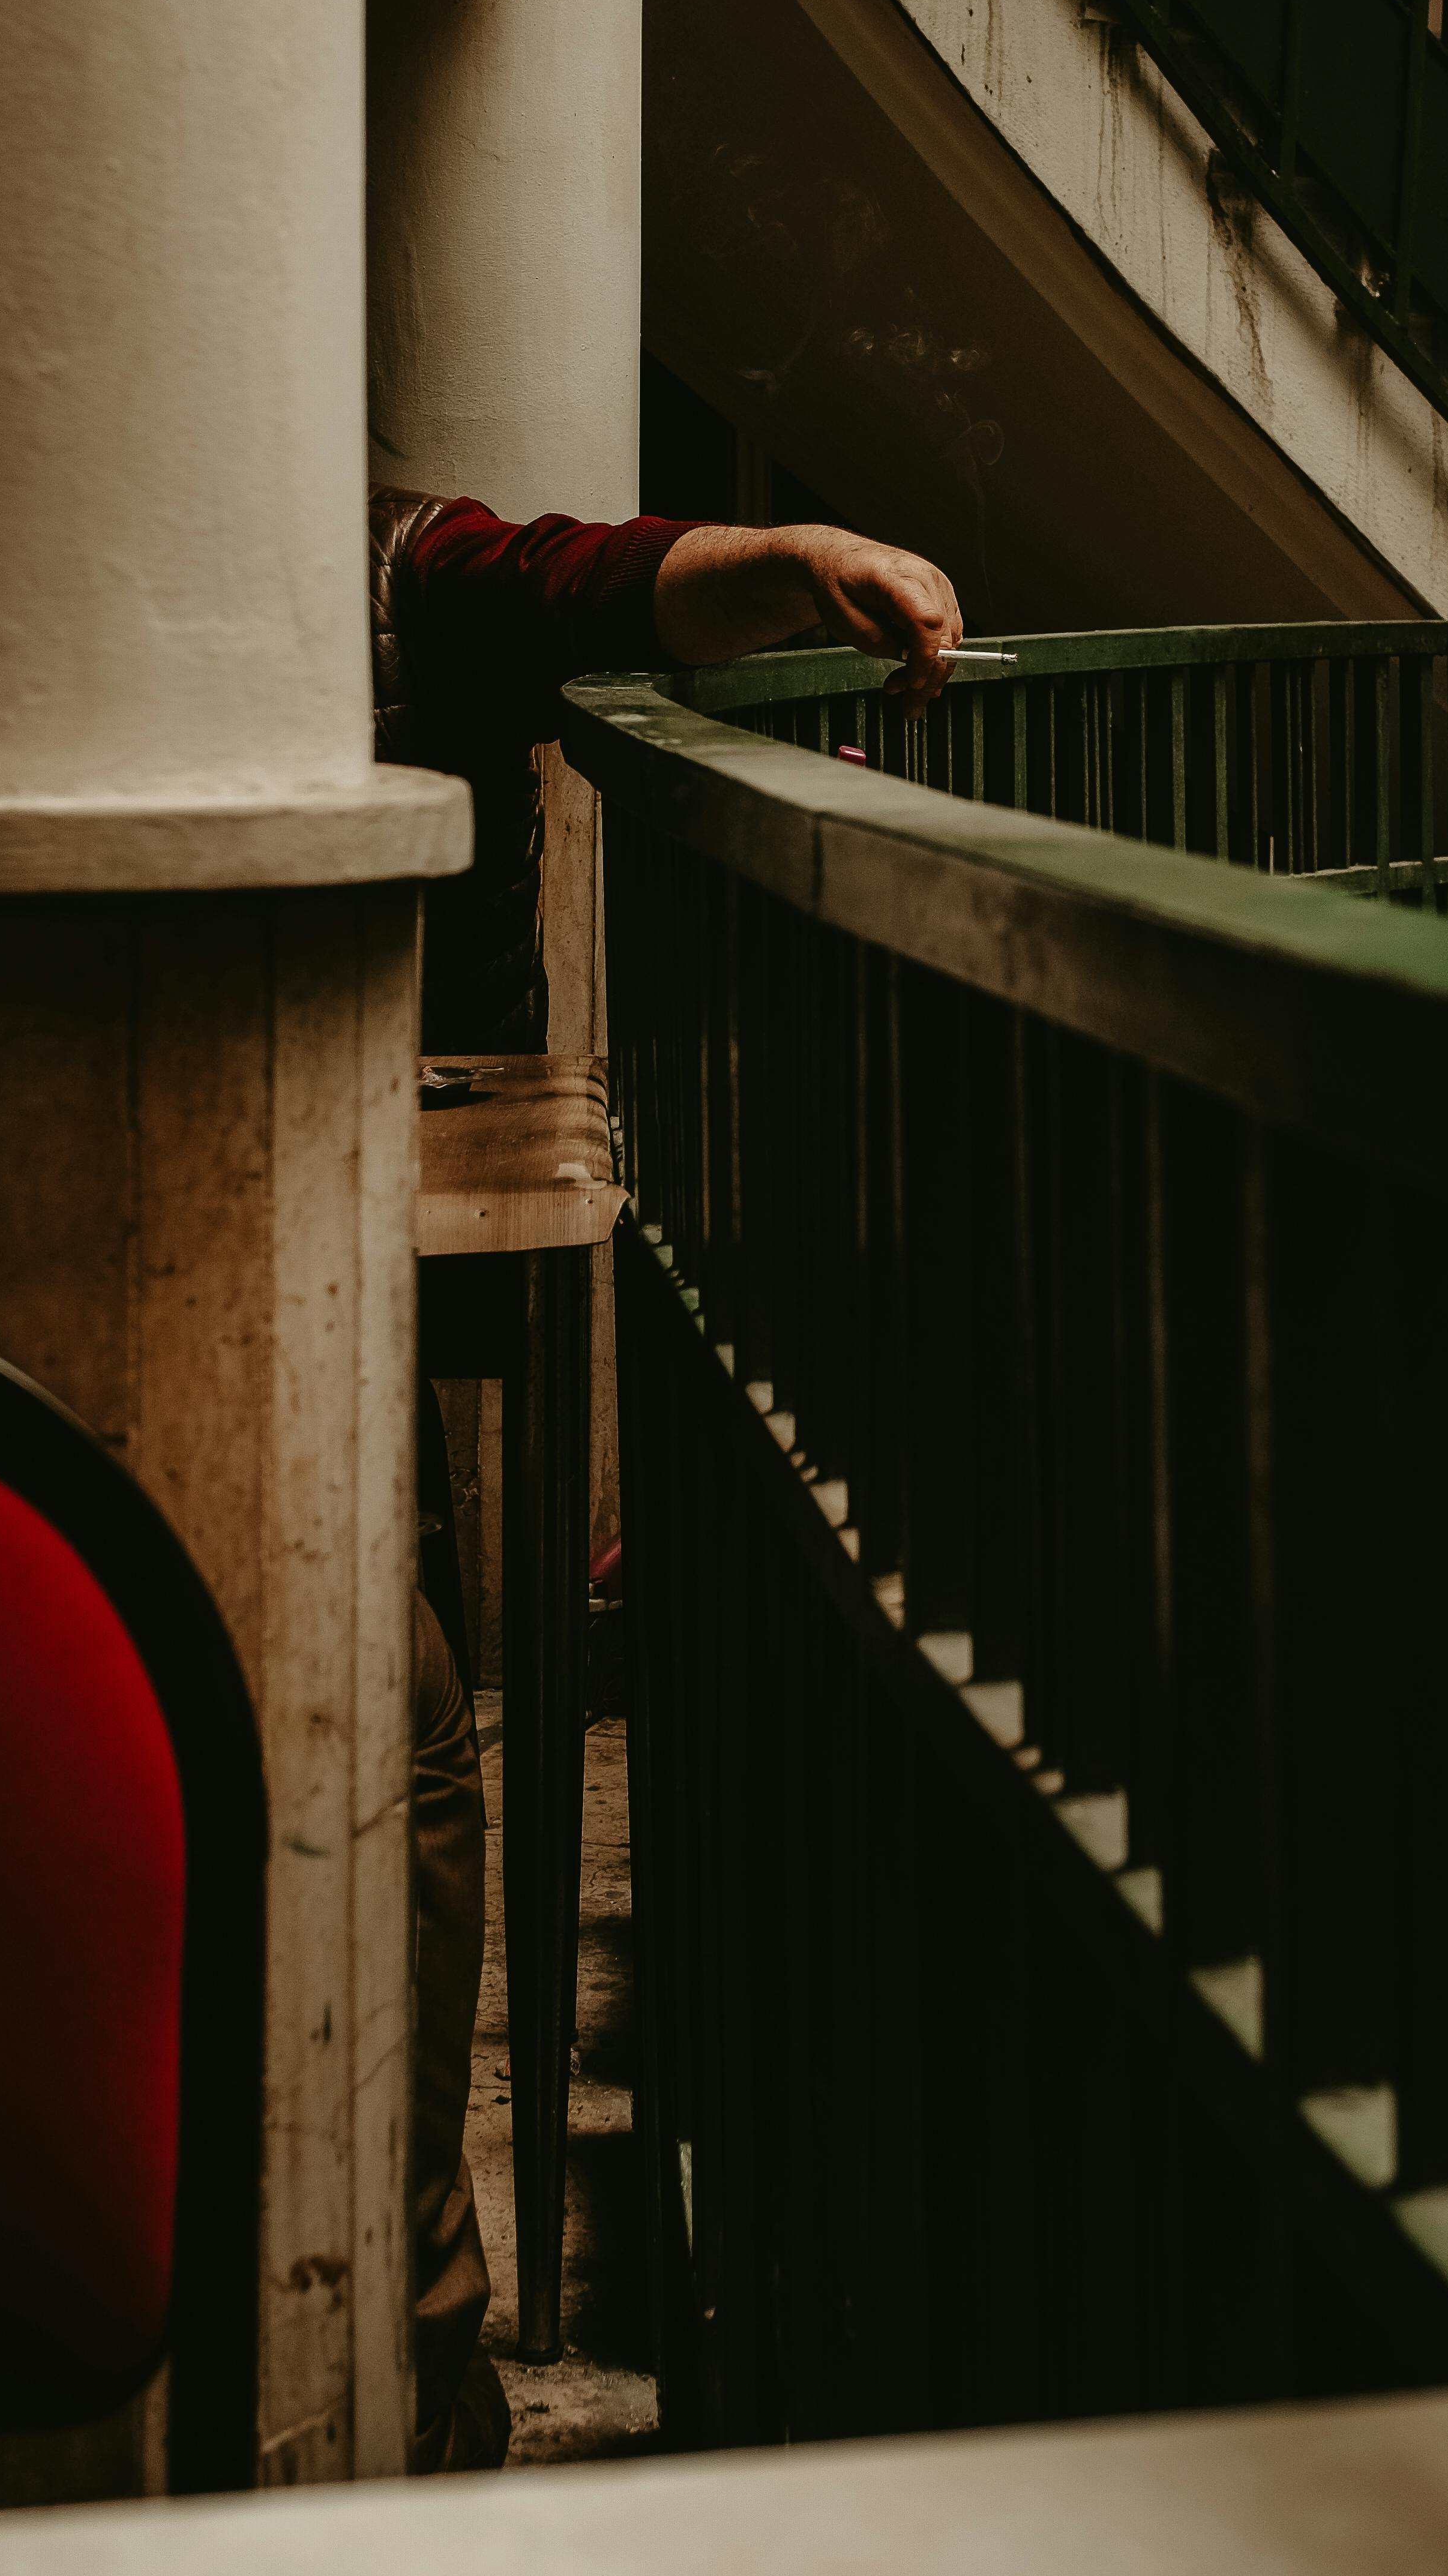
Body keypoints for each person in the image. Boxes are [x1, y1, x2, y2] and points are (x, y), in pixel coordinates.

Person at [370, 485, 963, 2469]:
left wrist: (794, 562)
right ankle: (426, 2355)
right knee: (409, 1732)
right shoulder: (349, 560)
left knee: (416, 1723)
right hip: (308, 1187)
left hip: (370, 1189)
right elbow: (544, 579)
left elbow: (563, 577)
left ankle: (432, 2349)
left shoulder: (381, 565)